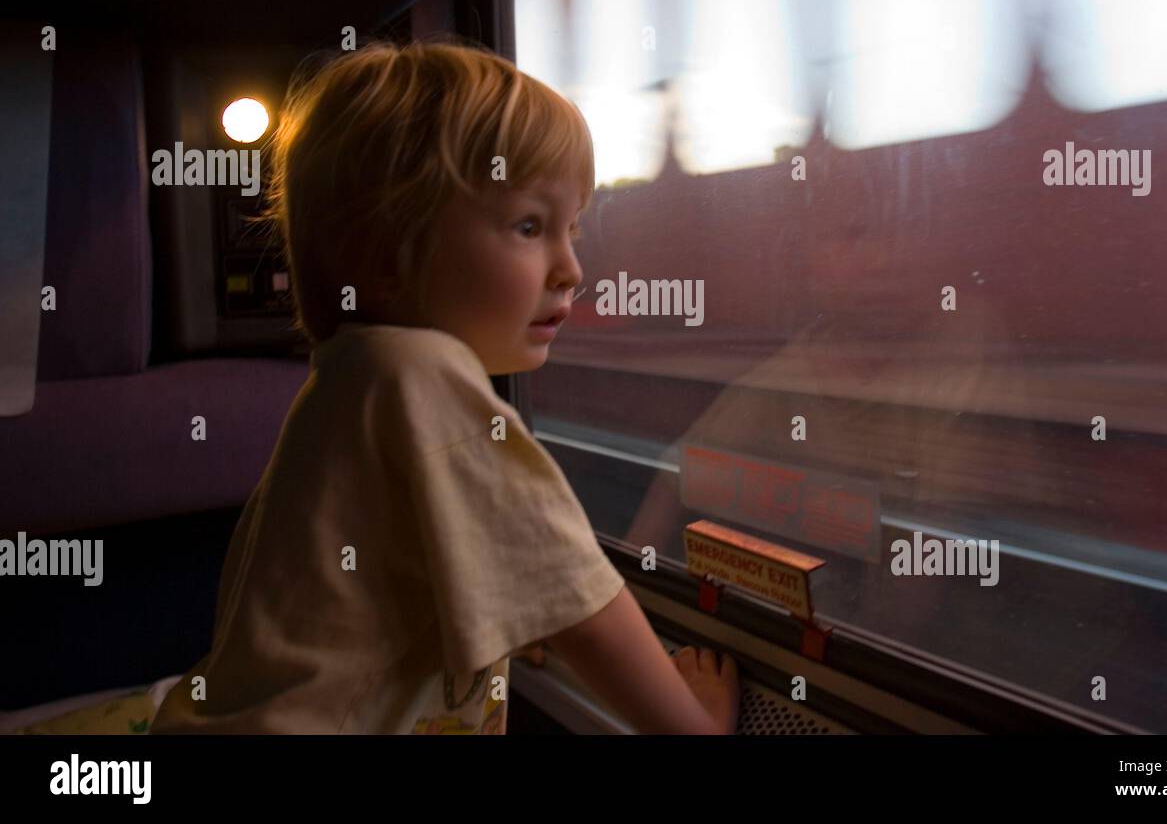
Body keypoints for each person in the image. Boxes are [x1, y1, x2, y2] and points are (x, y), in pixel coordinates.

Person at [151, 39, 739, 735]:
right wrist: (692, 724)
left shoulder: (349, 381)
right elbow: (578, 595)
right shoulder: (420, 376)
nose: (572, 270)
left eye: (572, 231)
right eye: (530, 226)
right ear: (389, 253)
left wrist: (512, 615)